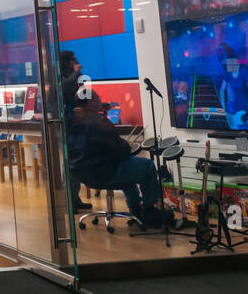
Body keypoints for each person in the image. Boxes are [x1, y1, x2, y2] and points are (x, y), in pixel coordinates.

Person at [68, 90, 176, 230]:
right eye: (98, 98)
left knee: (128, 172)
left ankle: (136, 211)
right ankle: (150, 211)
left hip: (83, 175)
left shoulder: (72, 120)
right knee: (147, 166)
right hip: (102, 172)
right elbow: (121, 151)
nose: (101, 101)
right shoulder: (99, 122)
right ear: (91, 102)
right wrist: (126, 146)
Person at [59, 49, 92, 212]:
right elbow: (63, 89)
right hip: (67, 122)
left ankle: (75, 198)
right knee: (70, 162)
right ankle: (68, 200)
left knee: (76, 160)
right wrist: (75, 74)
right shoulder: (60, 76)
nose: (76, 61)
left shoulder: (74, 76)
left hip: (77, 121)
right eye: (73, 59)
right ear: (66, 61)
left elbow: (81, 92)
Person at [216, 41, 248, 131]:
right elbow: (221, 90)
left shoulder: (243, 72)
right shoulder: (228, 74)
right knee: (237, 131)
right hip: (236, 108)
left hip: (247, 107)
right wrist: (223, 108)